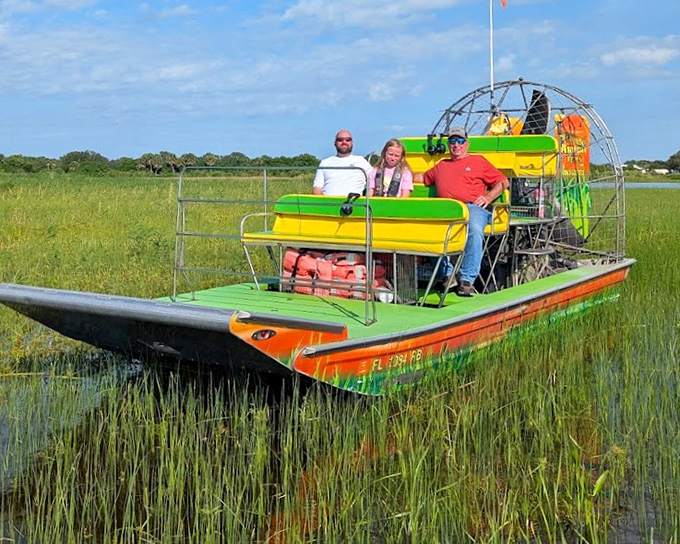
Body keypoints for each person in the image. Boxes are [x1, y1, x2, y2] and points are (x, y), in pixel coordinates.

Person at [422, 127, 509, 296]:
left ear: (467, 144)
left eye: (460, 141)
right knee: (430, 232)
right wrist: (397, 173)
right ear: (448, 145)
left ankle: (467, 279)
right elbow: (422, 178)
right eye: (453, 141)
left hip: (473, 208)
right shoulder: (441, 165)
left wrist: (488, 197)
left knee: (474, 231)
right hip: (447, 210)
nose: (456, 145)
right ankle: (447, 275)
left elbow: (503, 181)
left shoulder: (479, 161)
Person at [312, 130, 372, 196]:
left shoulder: (361, 161)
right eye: (340, 140)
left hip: (355, 205)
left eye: (348, 140)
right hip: (328, 204)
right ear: (335, 143)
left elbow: (373, 181)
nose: (344, 142)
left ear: (352, 143)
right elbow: (317, 188)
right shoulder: (325, 163)